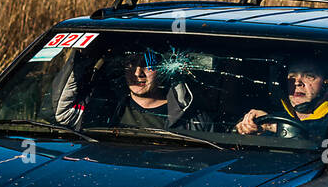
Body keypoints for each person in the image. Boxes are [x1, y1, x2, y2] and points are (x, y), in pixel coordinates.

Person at [50, 46, 212, 132]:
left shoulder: (192, 119)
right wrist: (83, 56)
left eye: (147, 64)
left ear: (163, 68)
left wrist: (236, 130)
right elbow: (63, 113)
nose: (137, 73)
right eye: (131, 63)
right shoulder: (103, 109)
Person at [235, 55, 328, 139]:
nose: (297, 82)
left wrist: (273, 126)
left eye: (309, 76)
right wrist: (247, 126)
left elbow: (323, 140)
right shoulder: (273, 117)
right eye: (292, 76)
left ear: (327, 84)